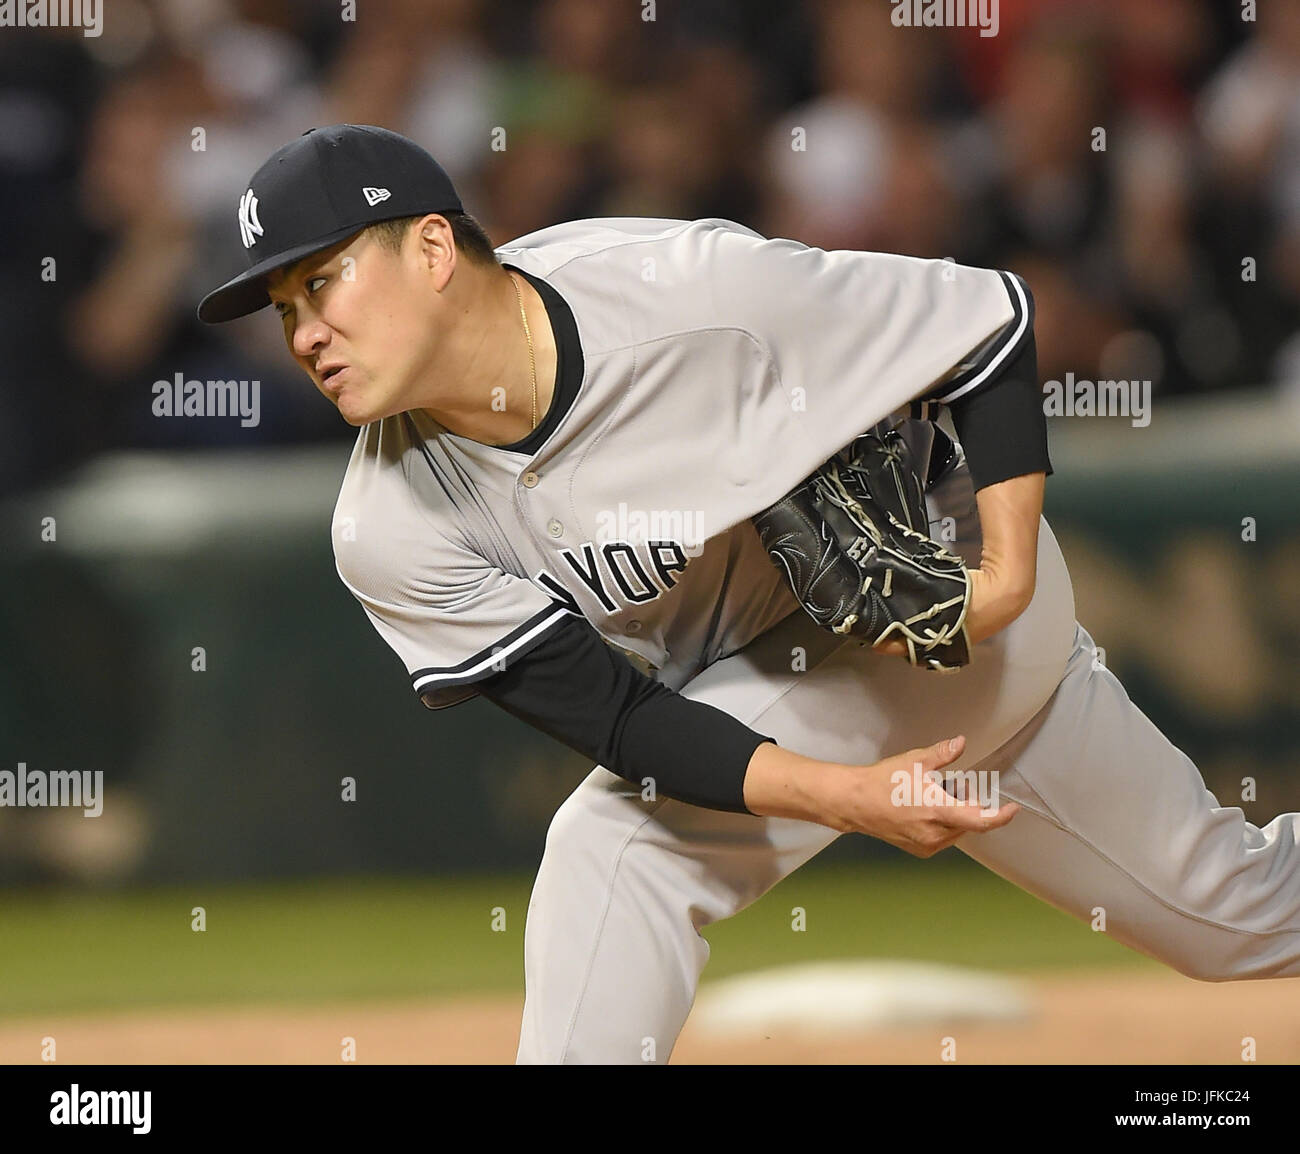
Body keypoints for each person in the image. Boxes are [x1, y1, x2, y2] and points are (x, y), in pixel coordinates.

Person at [199, 125, 1300, 1064]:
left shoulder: (692, 293)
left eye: (322, 281)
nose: (304, 334)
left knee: (614, 853)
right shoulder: (390, 528)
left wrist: (1004, 576)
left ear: (433, 248)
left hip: (942, 607)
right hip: (795, 679)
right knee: (1235, 914)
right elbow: (624, 723)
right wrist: (845, 794)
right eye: (283, 309)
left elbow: (986, 322)